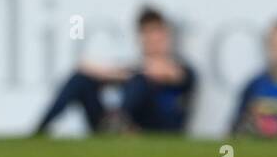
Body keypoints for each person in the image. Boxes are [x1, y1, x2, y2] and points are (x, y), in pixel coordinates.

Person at [34, 7, 197, 134]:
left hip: (157, 127)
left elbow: (164, 73)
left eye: (156, 33)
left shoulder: (182, 68)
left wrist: (118, 74)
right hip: (121, 124)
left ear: (166, 35)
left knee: (139, 81)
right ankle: (40, 130)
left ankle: (120, 123)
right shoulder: (133, 67)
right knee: (81, 79)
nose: (152, 40)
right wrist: (106, 72)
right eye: (147, 34)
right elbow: (89, 67)